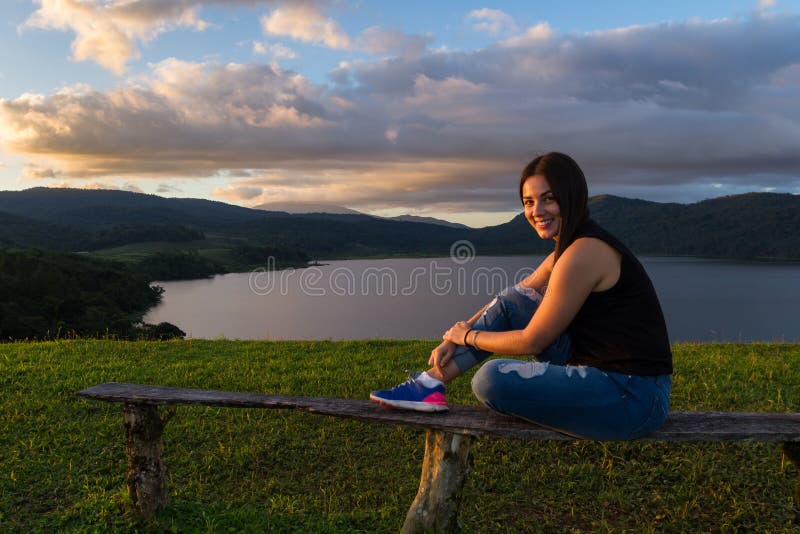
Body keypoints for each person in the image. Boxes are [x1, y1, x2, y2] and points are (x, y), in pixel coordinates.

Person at [370, 152, 673, 440]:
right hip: (598, 372)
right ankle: (430, 384)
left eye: (548, 199)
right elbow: (513, 298)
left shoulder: (584, 253)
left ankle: (433, 384)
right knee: (516, 298)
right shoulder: (569, 247)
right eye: (528, 202)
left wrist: (468, 337)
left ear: (572, 197)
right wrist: (455, 335)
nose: (536, 211)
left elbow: (533, 341)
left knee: (490, 380)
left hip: (633, 396)